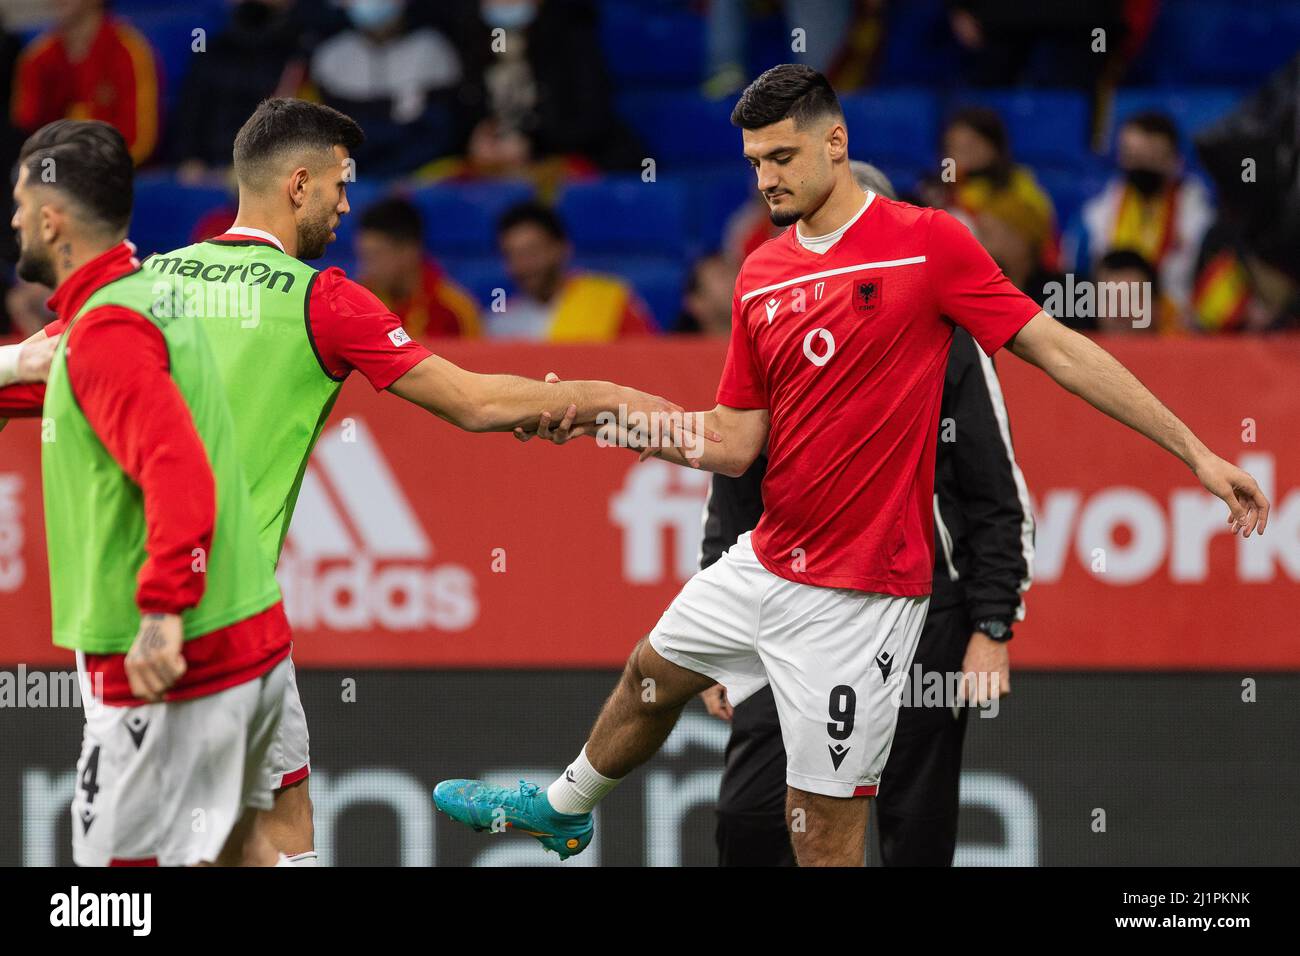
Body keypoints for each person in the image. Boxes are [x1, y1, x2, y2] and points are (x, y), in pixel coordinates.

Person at [433, 64, 1269, 866]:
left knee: (823, 837)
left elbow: (1057, 348)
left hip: (861, 599)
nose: (767, 178)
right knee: (650, 675)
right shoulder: (761, 275)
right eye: (755, 162)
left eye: (783, 157)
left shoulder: (928, 246)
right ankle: (566, 810)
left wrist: (1194, 450)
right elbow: (732, 445)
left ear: (836, 141)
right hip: (766, 561)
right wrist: (605, 417)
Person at [0, 97, 701, 867]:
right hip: (189, 624)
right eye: (338, 187)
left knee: (268, 834)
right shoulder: (320, 299)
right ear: (297, 184)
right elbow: (474, 404)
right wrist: (599, 397)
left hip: (190, 623)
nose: (343, 208)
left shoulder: (143, 288)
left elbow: (19, 377)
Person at [699, 159, 1034, 866]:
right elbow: (732, 492)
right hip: (789, 606)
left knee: (913, 820)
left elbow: (996, 494)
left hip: (921, 613)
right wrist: (719, 646)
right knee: (750, 814)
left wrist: (992, 624)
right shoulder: (771, 324)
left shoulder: (951, 343)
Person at [6, 120, 289, 866]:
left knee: (106, 900)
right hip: (243, 642)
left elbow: (176, 470)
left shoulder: (105, 334)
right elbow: (47, 378)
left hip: (172, 664)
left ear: (50, 218)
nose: (10, 222)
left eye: (17, 204)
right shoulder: (150, 293)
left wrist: (163, 611)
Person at [1065, 112, 1214, 315]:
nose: (1141, 167)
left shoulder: (1199, 218)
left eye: (1152, 158)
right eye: (1133, 157)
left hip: (1176, 328)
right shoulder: (1096, 215)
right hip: (1111, 324)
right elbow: (1075, 278)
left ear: (1175, 160)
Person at [11, 0, 160, 164]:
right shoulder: (37, 59)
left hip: (115, 175)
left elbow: (139, 141)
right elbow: (25, 131)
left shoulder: (129, 51)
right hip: (52, 174)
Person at [492, 201, 654, 340]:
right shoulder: (501, 323)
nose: (523, 265)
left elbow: (645, 362)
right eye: (512, 255)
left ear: (562, 248)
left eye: (532, 252)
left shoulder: (610, 301)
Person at [355, 197, 480, 338]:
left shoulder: (454, 310)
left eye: (376, 256)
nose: (367, 269)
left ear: (409, 251)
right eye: (364, 257)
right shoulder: (357, 304)